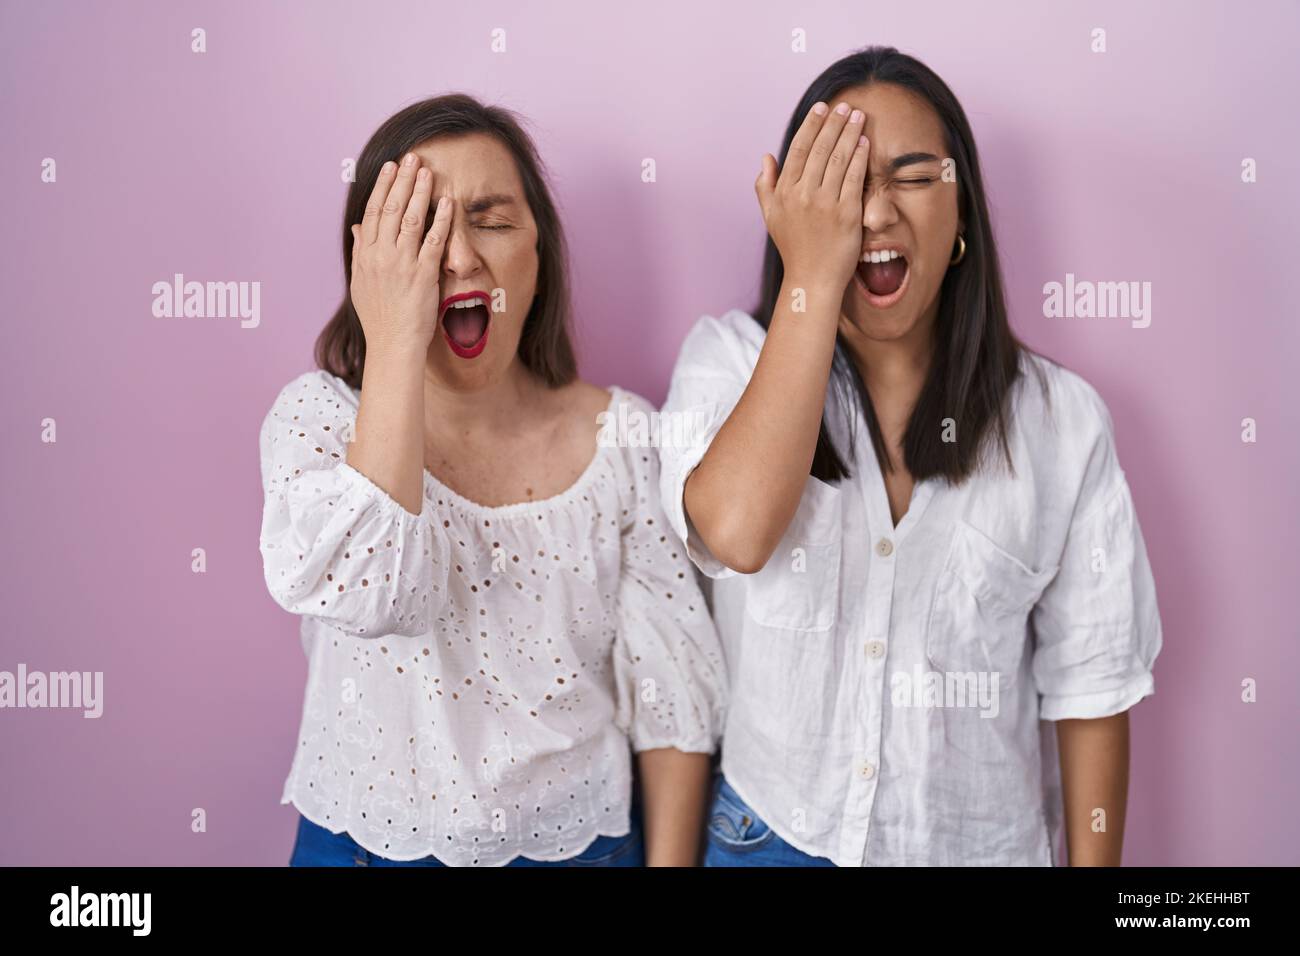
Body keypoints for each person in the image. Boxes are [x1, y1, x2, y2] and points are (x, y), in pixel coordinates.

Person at [658, 47, 1162, 866]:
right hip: (771, 834)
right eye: (842, 183)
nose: (877, 214)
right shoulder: (724, 361)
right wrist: (812, 277)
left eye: (913, 176)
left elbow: (1094, 687)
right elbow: (737, 534)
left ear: (962, 211)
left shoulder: (1061, 422)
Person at [258, 94, 726, 867]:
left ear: (538, 254)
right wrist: (398, 336)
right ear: (370, 261)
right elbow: (377, 595)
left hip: (579, 848)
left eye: (492, 220)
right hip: (362, 847)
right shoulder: (315, 421)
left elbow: (670, 700)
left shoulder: (626, 438)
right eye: (420, 230)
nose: (460, 258)